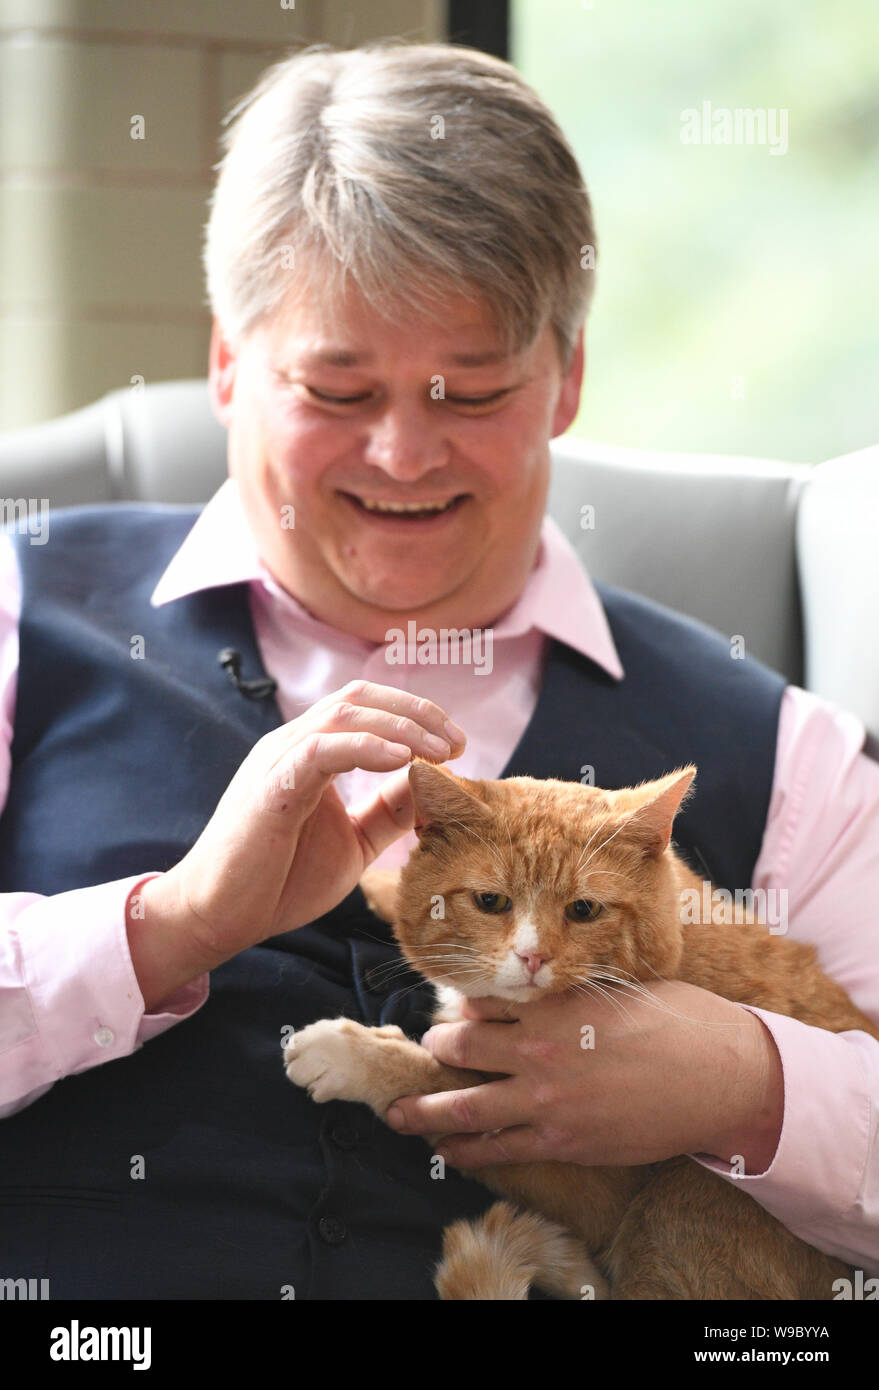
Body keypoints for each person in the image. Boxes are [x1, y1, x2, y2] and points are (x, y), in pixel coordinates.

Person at [0, 40, 876, 1301]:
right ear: (228, 366)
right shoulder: (25, 613)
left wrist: (753, 1082)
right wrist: (167, 927)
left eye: (470, 391)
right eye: (337, 387)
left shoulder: (784, 752)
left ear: (568, 377)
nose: (405, 455)